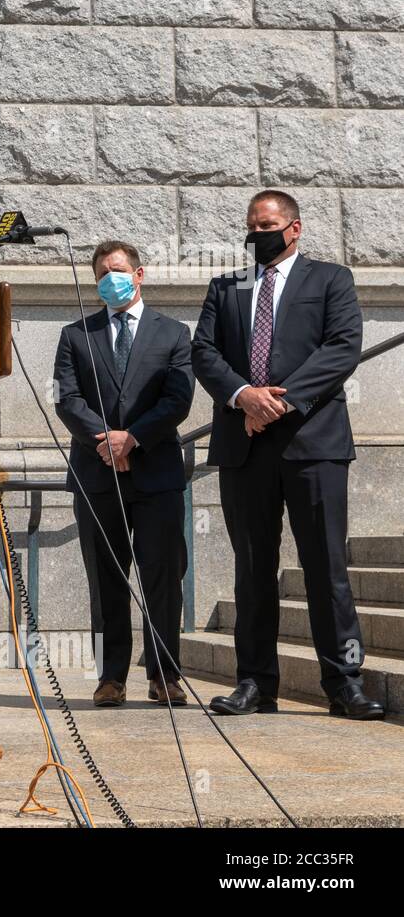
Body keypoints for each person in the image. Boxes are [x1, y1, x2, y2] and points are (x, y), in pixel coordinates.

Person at [191, 189, 383, 719]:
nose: (258, 234)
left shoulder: (331, 280)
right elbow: (203, 352)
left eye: (268, 224)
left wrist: (280, 401)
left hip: (313, 445)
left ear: (294, 228)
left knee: (326, 568)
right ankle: (255, 683)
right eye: (252, 226)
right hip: (244, 446)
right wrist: (242, 396)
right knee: (252, 570)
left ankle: (344, 683)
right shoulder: (226, 286)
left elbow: (342, 347)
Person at [53, 240, 194, 707]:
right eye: (101, 273)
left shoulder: (173, 333)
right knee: (106, 577)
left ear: (139, 274)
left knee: (162, 574)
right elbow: (67, 399)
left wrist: (132, 438)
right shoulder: (76, 335)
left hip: (156, 474)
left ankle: (164, 675)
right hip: (97, 475)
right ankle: (110, 676)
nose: (109, 278)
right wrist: (107, 441)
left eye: (117, 270)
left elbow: (178, 399)